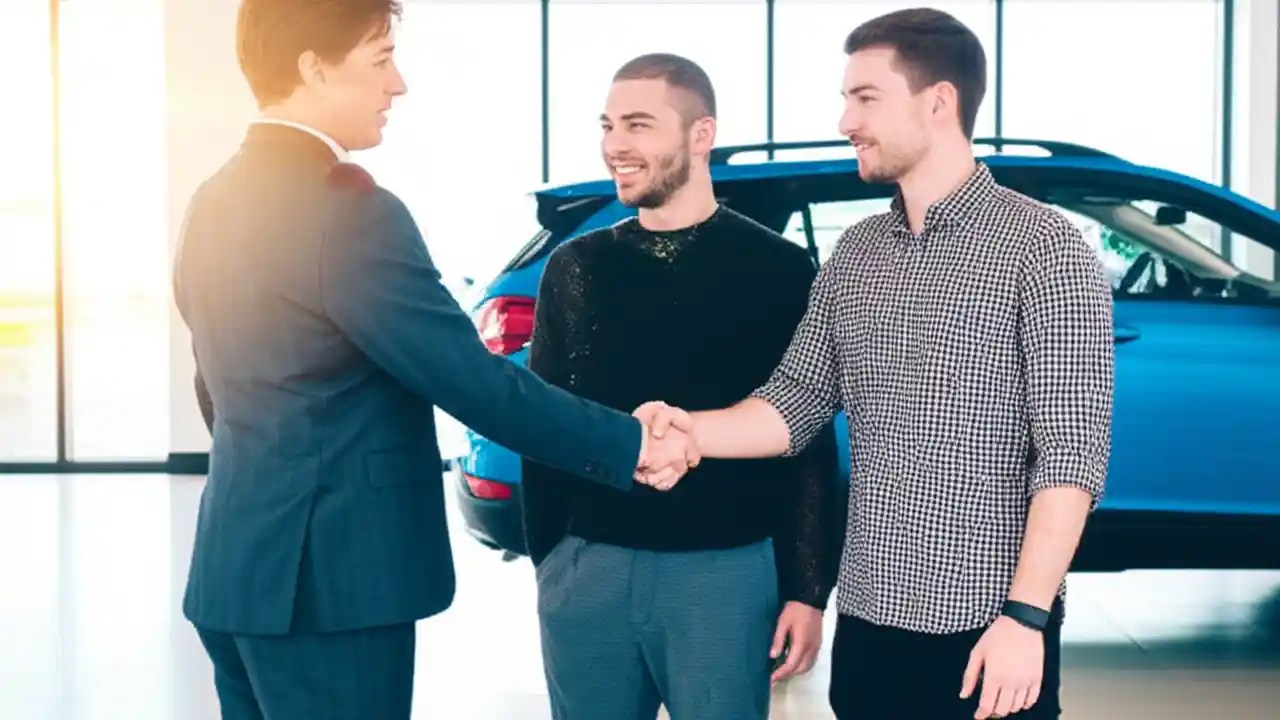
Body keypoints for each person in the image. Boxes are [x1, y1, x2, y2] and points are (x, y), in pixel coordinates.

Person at [172, 2, 696, 718]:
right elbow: (472, 382)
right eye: (381, 59)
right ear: (313, 67)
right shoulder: (348, 210)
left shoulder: (211, 200)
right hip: (332, 592)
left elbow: (218, 388)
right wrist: (631, 442)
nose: (399, 85)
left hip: (236, 567)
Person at [638, 8, 1114, 720]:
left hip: (987, 632)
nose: (843, 120)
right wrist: (685, 432)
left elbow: (1071, 457)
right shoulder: (856, 254)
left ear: (939, 101)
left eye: (865, 98)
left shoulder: (1046, 250)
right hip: (868, 624)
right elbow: (794, 401)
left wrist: (1026, 618)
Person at [521, 53, 841, 720]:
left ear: (701, 135)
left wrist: (809, 589)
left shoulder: (779, 268)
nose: (616, 145)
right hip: (590, 569)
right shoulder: (575, 266)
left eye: (638, 125)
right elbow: (543, 425)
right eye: (608, 125)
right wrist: (552, 566)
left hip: (724, 572)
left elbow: (804, 433)